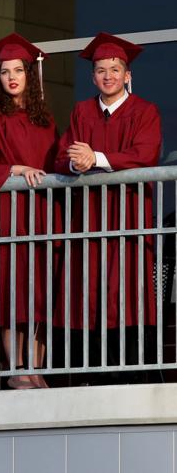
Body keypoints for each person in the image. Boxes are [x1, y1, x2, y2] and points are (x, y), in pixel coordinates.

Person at [53, 33, 161, 369]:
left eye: (115, 69)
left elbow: (145, 154)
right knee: (89, 287)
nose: (108, 75)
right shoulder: (81, 112)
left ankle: (132, 370)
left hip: (128, 214)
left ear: (127, 75)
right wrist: (75, 162)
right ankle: (88, 370)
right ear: (93, 76)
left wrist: (95, 158)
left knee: (127, 290)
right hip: (88, 217)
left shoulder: (145, 111)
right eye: (101, 70)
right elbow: (60, 157)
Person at [0, 33, 58, 389]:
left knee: (39, 293)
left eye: (18, 70)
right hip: (8, 213)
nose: (11, 77)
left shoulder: (45, 120)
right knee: (11, 290)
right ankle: (14, 368)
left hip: (40, 213)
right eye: (5, 71)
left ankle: (34, 369)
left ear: (29, 74)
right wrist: (17, 169)